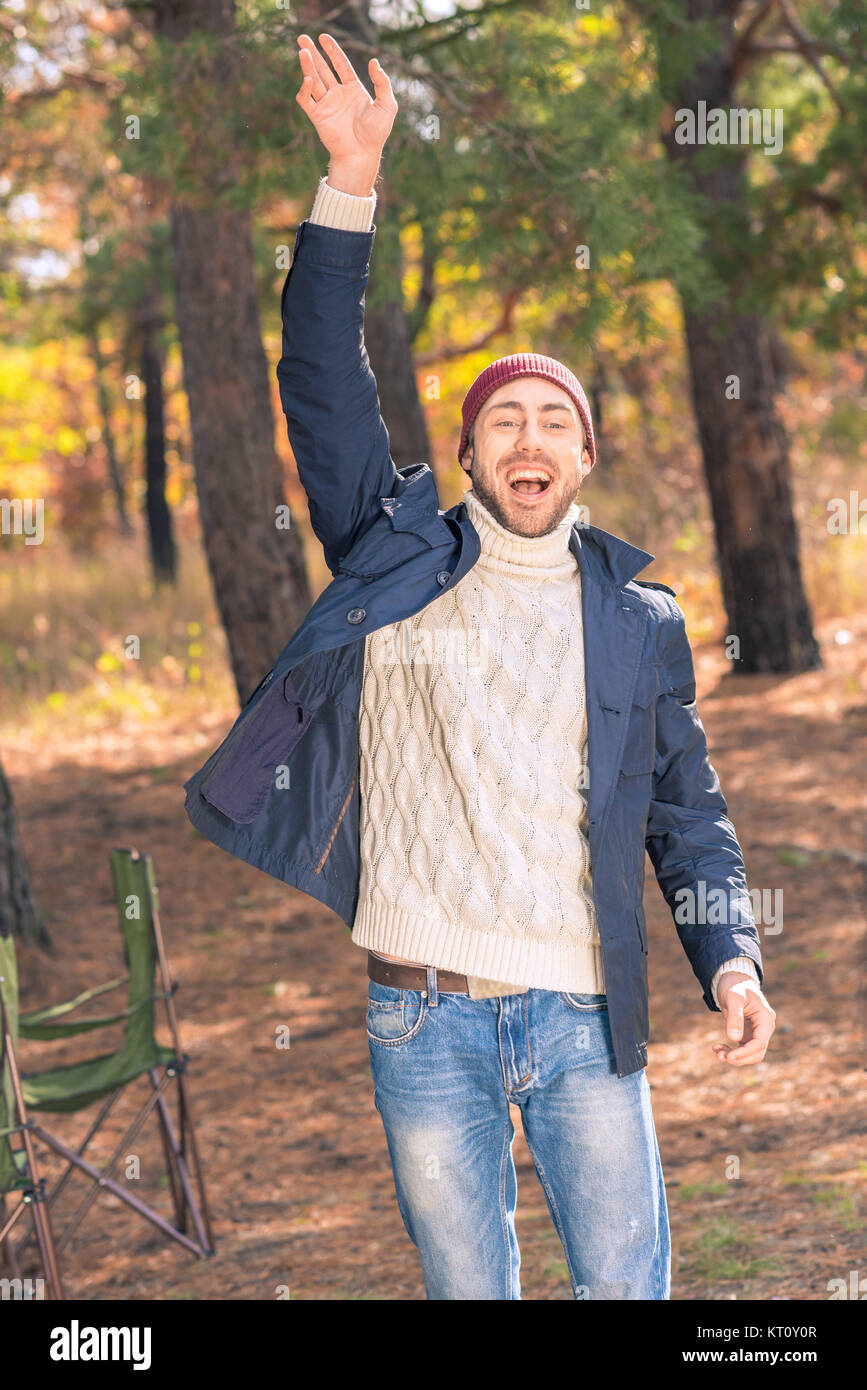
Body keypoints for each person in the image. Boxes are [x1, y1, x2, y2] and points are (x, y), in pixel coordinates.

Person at [184, 33, 775, 1300]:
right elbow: (323, 380)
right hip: (420, 1016)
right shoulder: (392, 557)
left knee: (626, 1293)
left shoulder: (642, 618)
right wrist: (352, 178)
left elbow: (689, 815)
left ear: (584, 460)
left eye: (555, 419)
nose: (529, 435)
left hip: (583, 1018)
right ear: (466, 457)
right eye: (503, 416)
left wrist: (729, 956)